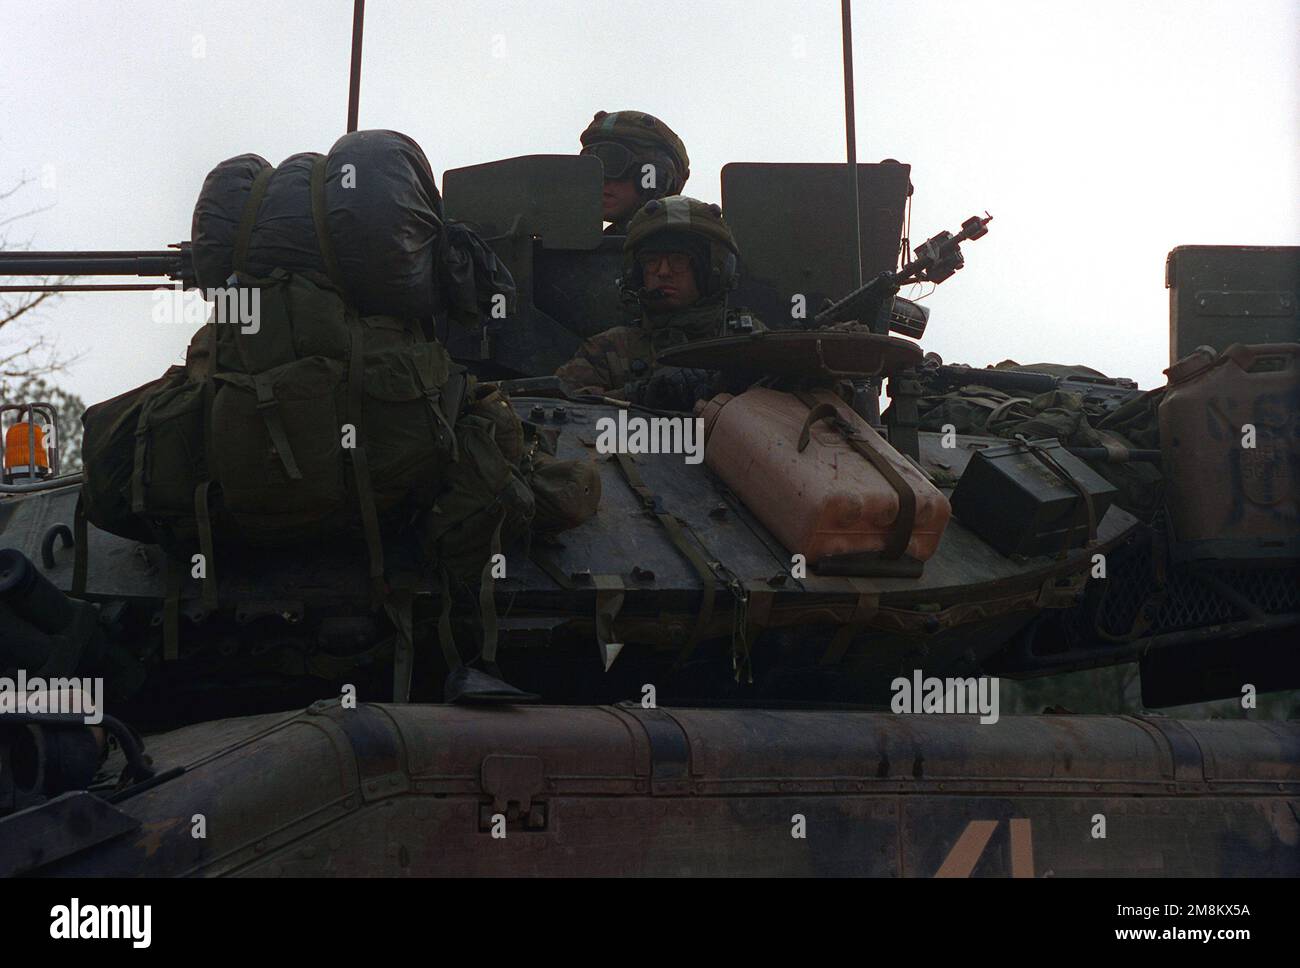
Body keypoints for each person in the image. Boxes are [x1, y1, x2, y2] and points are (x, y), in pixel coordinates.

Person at [555, 195, 759, 408]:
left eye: (678, 260)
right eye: (651, 261)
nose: (662, 272)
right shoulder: (609, 351)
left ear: (714, 271)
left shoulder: (749, 343)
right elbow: (550, 408)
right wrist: (637, 396)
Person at [579, 111, 690, 235]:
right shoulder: (582, 247)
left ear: (656, 174)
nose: (601, 179)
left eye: (613, 163)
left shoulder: (694, 244)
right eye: (590, 164)